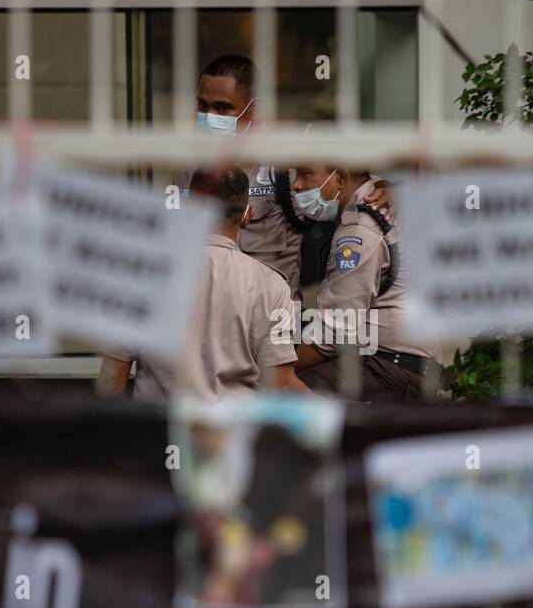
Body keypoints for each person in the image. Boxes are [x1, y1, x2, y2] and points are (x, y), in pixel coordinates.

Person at [191, 54, 396, 299]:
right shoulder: (188, 160)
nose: (209, 116)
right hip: (207, 305)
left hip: (272, 310)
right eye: (202, 105)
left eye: (223, 107)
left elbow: (351, 181)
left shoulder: (287, 157)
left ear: (254, 108)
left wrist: (389, 188)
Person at [96, 168, 308, 400]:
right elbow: (281, 385)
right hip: (231, 431)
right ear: (248, 213)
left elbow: (113, 376)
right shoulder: (271, 286)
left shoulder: (143, 278)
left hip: (157, 431)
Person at [289, 163, 441, 402]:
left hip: (388, 367)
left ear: (340, 178)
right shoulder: (376, 200)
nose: (296, 185)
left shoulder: (361, 228)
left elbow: (336, 332)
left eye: (306, 175)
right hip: (400, 364)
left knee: (289, 396)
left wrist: (282, 374)